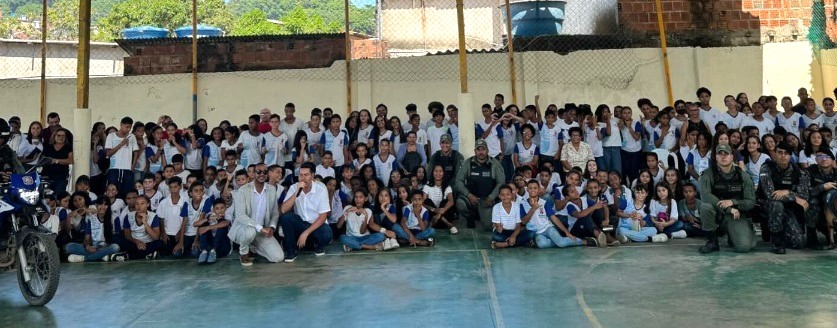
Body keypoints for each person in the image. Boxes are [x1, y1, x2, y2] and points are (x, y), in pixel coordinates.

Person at [698, 144, 757, 254]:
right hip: (717, 215)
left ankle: (735, 234)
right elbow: (705, 196)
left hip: (736, 216)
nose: (723, 156)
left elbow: (751, 202)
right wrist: (729, 209)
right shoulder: (708, 174)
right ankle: (712, 241)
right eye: (720, 154)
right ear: (716, 157)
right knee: (705, 206)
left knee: (744, 247)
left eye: (726, 154)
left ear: (732, 156)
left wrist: (733, 202)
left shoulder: (743, 175)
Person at [758, 142, 812, 254]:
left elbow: (804, 195)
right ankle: (776, 239)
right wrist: (795, 197)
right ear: (775, 154)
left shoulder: (799, 172)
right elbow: (770, 194)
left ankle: (781, 231)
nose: (783, 156)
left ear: (790, 155)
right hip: (767, 206)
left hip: (788, 208)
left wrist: (788, 192)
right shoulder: (766, 168)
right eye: (780, 153)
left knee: (799, 243)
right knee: (776, 204)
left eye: (786, 153)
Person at [229, 163, 284, 266]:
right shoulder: (243, 190)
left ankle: (253, 247)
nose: (262, 174)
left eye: (265, 172)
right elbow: (240, 216)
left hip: (262, 232)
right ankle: (244, 253)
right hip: (244, 228)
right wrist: (259, 228)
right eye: (258, 171)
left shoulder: (271, 190)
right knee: (250, 232)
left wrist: (272, 227)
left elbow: (275, 213)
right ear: (253, 174)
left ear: (267, 174)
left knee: (278, 258)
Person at [279, 162, 333, 262]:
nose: (303, 178)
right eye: (301, 175)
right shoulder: (294, 187)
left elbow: (323, 217)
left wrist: (305, 233)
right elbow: (283, 209)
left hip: (317, 225)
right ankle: (292, 251)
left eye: (306, 175)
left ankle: (310, 243)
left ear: (312, 176)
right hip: (301, 224)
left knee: (326, 235)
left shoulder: (321, 189)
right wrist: (296, 193)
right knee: (286, 218)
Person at [454, 139, 505, 229]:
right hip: (471, 199)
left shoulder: (494, 163)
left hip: (487, 200)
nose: (481, 152)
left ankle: (482, 215)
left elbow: (501, 182)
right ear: (475, 151)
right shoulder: (468, 163)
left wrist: (491, 197)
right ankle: (471, 216)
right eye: (478, 149)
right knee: (460, 203)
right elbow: (458, 181)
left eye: (483, 149)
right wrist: (468, 195)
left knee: (488, 226)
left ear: (487, 150)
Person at [105, 117, 139, 196]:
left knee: (127, 193)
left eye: (130, 127)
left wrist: (132, 168)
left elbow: (136, 153)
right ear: (121, 125)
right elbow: (108, 153)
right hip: (114, 169)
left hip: (127, 169)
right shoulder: (111, 136)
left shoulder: (132, 137)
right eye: (126, 127)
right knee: (112, 192)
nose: (128, 129)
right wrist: (121, 144)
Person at [193, 198, 232, 264]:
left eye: (222, 208)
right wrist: (208, 219)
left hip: (223, 248)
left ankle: (213, 251)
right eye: (217, 208)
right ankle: (204, 252)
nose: (220, 210)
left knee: (222, 224)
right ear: (213, 210)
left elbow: (226, 223)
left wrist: (208, 227)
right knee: (203, 224)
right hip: (210, 247)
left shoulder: (228, 216)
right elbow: (195, 224)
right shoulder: (211, 215)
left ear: (225, 208)